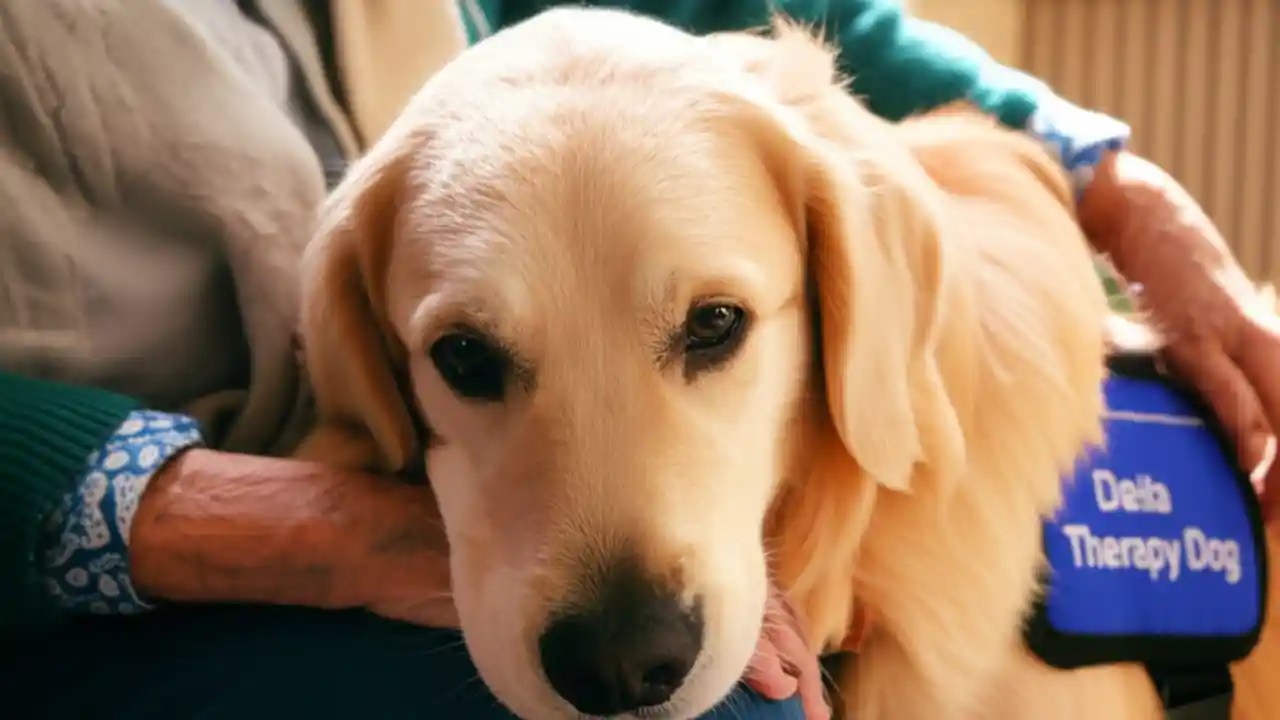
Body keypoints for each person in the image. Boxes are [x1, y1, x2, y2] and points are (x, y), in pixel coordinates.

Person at [1, 2, 1276, 719]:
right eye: (471, 358)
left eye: (709, 328)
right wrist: (240, 515)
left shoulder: (840, 244)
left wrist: (1111, 180)